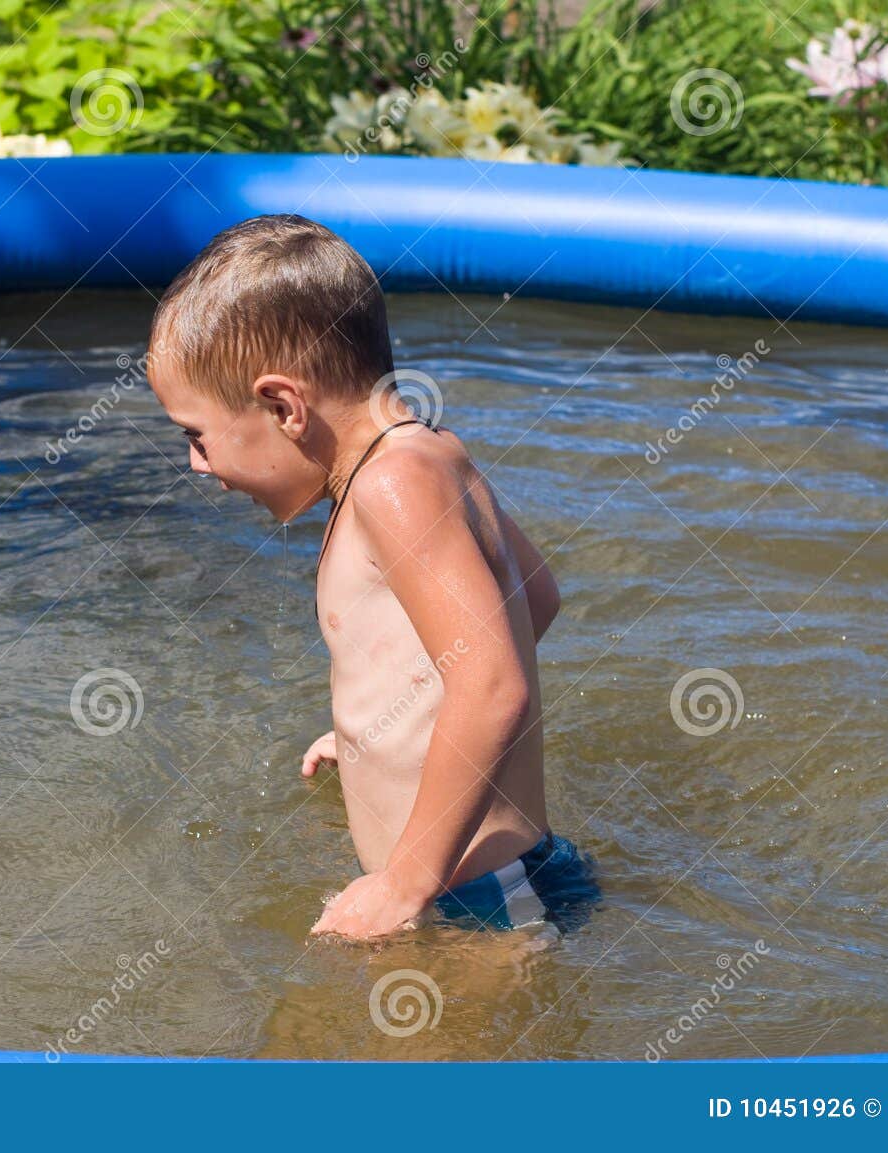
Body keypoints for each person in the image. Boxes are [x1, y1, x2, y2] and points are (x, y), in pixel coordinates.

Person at [145, 214, 598, 940]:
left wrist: (401, 883)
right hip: (494, 879)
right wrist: (383, 728)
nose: (197, 465)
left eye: (196, 435)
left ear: (284, 407)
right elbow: (534, 595)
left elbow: (493, 684)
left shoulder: (391, 489)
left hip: (482, 897)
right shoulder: (431, 453)